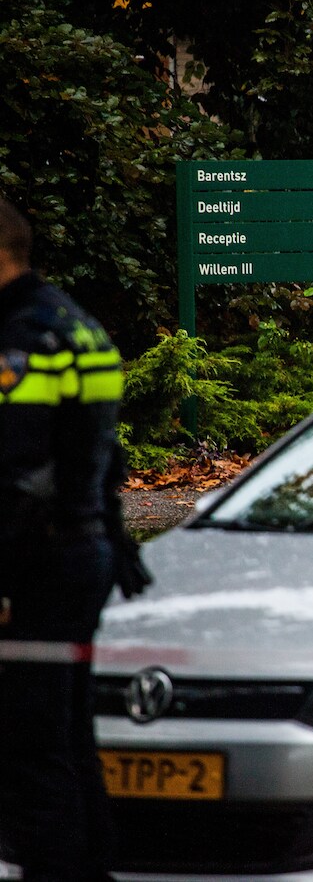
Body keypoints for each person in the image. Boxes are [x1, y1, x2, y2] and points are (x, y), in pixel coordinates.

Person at [0, 196, 124, 881]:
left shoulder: (19, 340)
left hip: (36, 562)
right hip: (85, 550)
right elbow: (103, 464)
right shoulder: (79, 326)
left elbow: (16, 478)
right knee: (71, 743)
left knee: (29, 753)